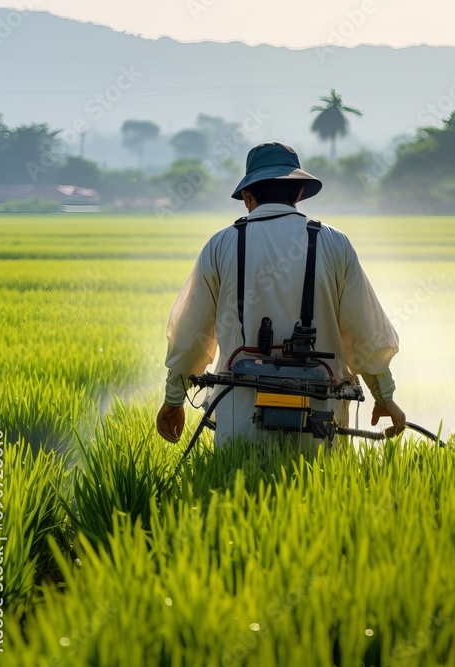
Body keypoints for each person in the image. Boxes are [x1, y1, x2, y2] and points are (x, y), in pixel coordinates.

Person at [155, 141, 405, 451]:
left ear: (248, 196)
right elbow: (366, 332)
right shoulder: (335, 243)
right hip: (321, 422)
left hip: (239, 420)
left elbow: (191, 336)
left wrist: (174, 399)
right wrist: (385, 397)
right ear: (299, 193)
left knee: (235, 493)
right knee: (319, 494)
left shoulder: (220, 245)